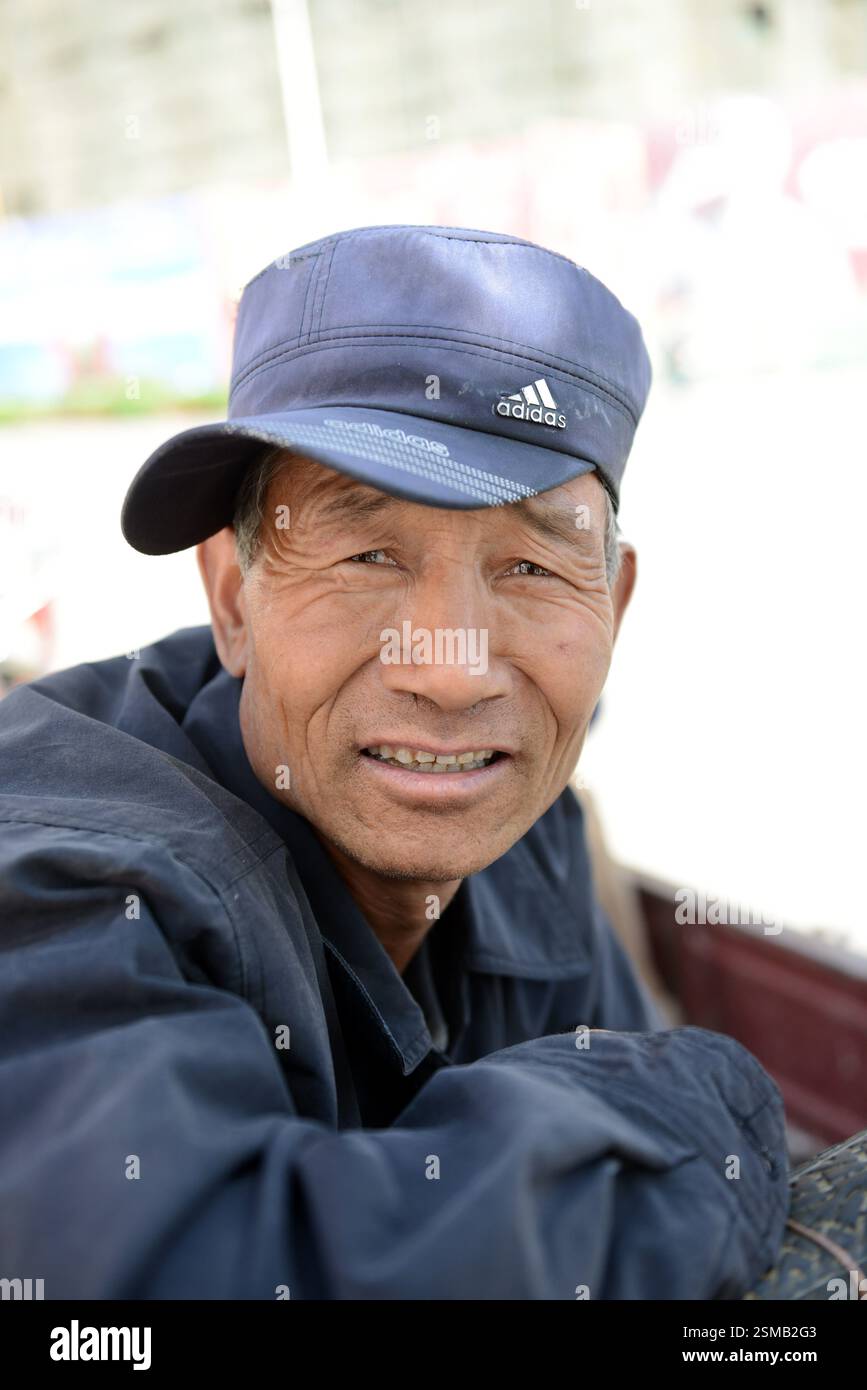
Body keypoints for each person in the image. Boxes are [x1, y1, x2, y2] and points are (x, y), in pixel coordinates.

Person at [0, 224, 787, 1299]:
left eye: (529, 563)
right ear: (235, 596)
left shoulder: (522, 828)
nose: (454, 671)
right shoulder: (62, 876)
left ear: (612, 602)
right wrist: (703, 1105)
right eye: (368, 554)